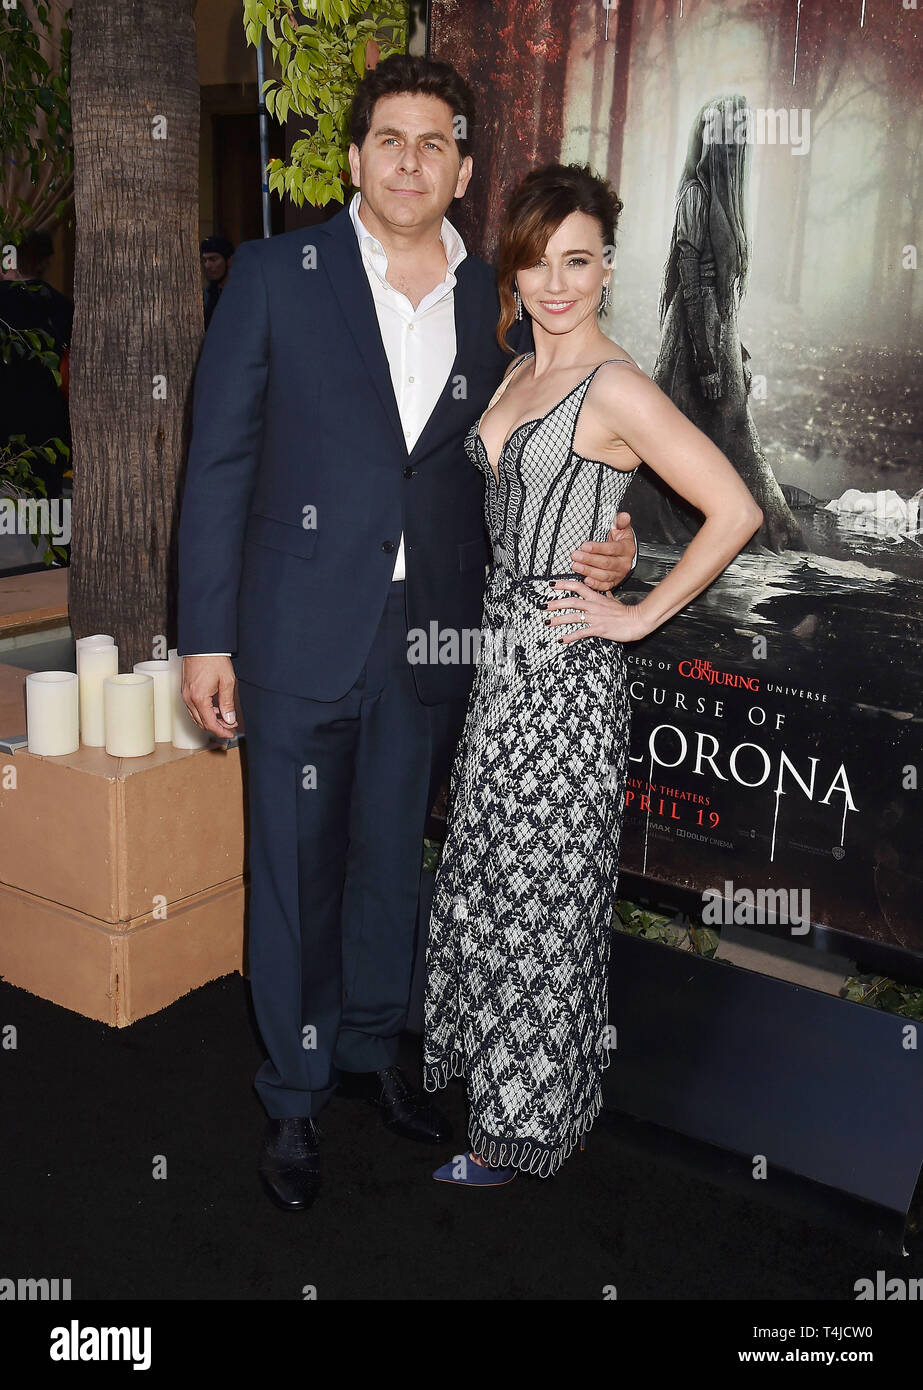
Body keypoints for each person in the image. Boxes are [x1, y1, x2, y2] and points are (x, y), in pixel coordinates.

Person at [175, 57, 638, 1214]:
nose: (411, 161)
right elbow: (217, 463)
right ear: (353, 158)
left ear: (464, 168)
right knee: (292, 873)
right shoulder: (279, 277)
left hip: (432, 634)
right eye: (391, 139)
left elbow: (556, 446)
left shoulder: (497, 298)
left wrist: (617, 540)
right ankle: (291, 1092)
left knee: (394, 859)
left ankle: (375, 1049)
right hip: (290, 633)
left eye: (436, 143)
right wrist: (203, 637)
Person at [423, 162, 763, 1187]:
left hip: (563, 676)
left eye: (576, 260)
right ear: (514, 273)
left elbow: (733, 510)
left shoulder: (614, 383)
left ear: (608, 268)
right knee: (491, 875)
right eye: (535, 262)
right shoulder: (517, 367)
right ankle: (504, 1088)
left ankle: (510, 1136)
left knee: (539, 899)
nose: (554, 282)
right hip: (500, 665)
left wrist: (634, 613)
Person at [625, 95, 801, 553]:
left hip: (712, 339)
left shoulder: (724, 205)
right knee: (699, 434)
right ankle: (739, 527)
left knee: (724, 436)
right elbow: (695, 285)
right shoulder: (697, 197)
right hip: (692, 344)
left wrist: (733, 350)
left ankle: (745, 526)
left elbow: (724, 297)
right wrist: (707, 360)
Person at [200, 235, 234, 330]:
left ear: (229, 261)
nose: (207, 265)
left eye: (213, 259)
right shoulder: (204, 296)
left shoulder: (242, 293)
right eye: (204, 260)